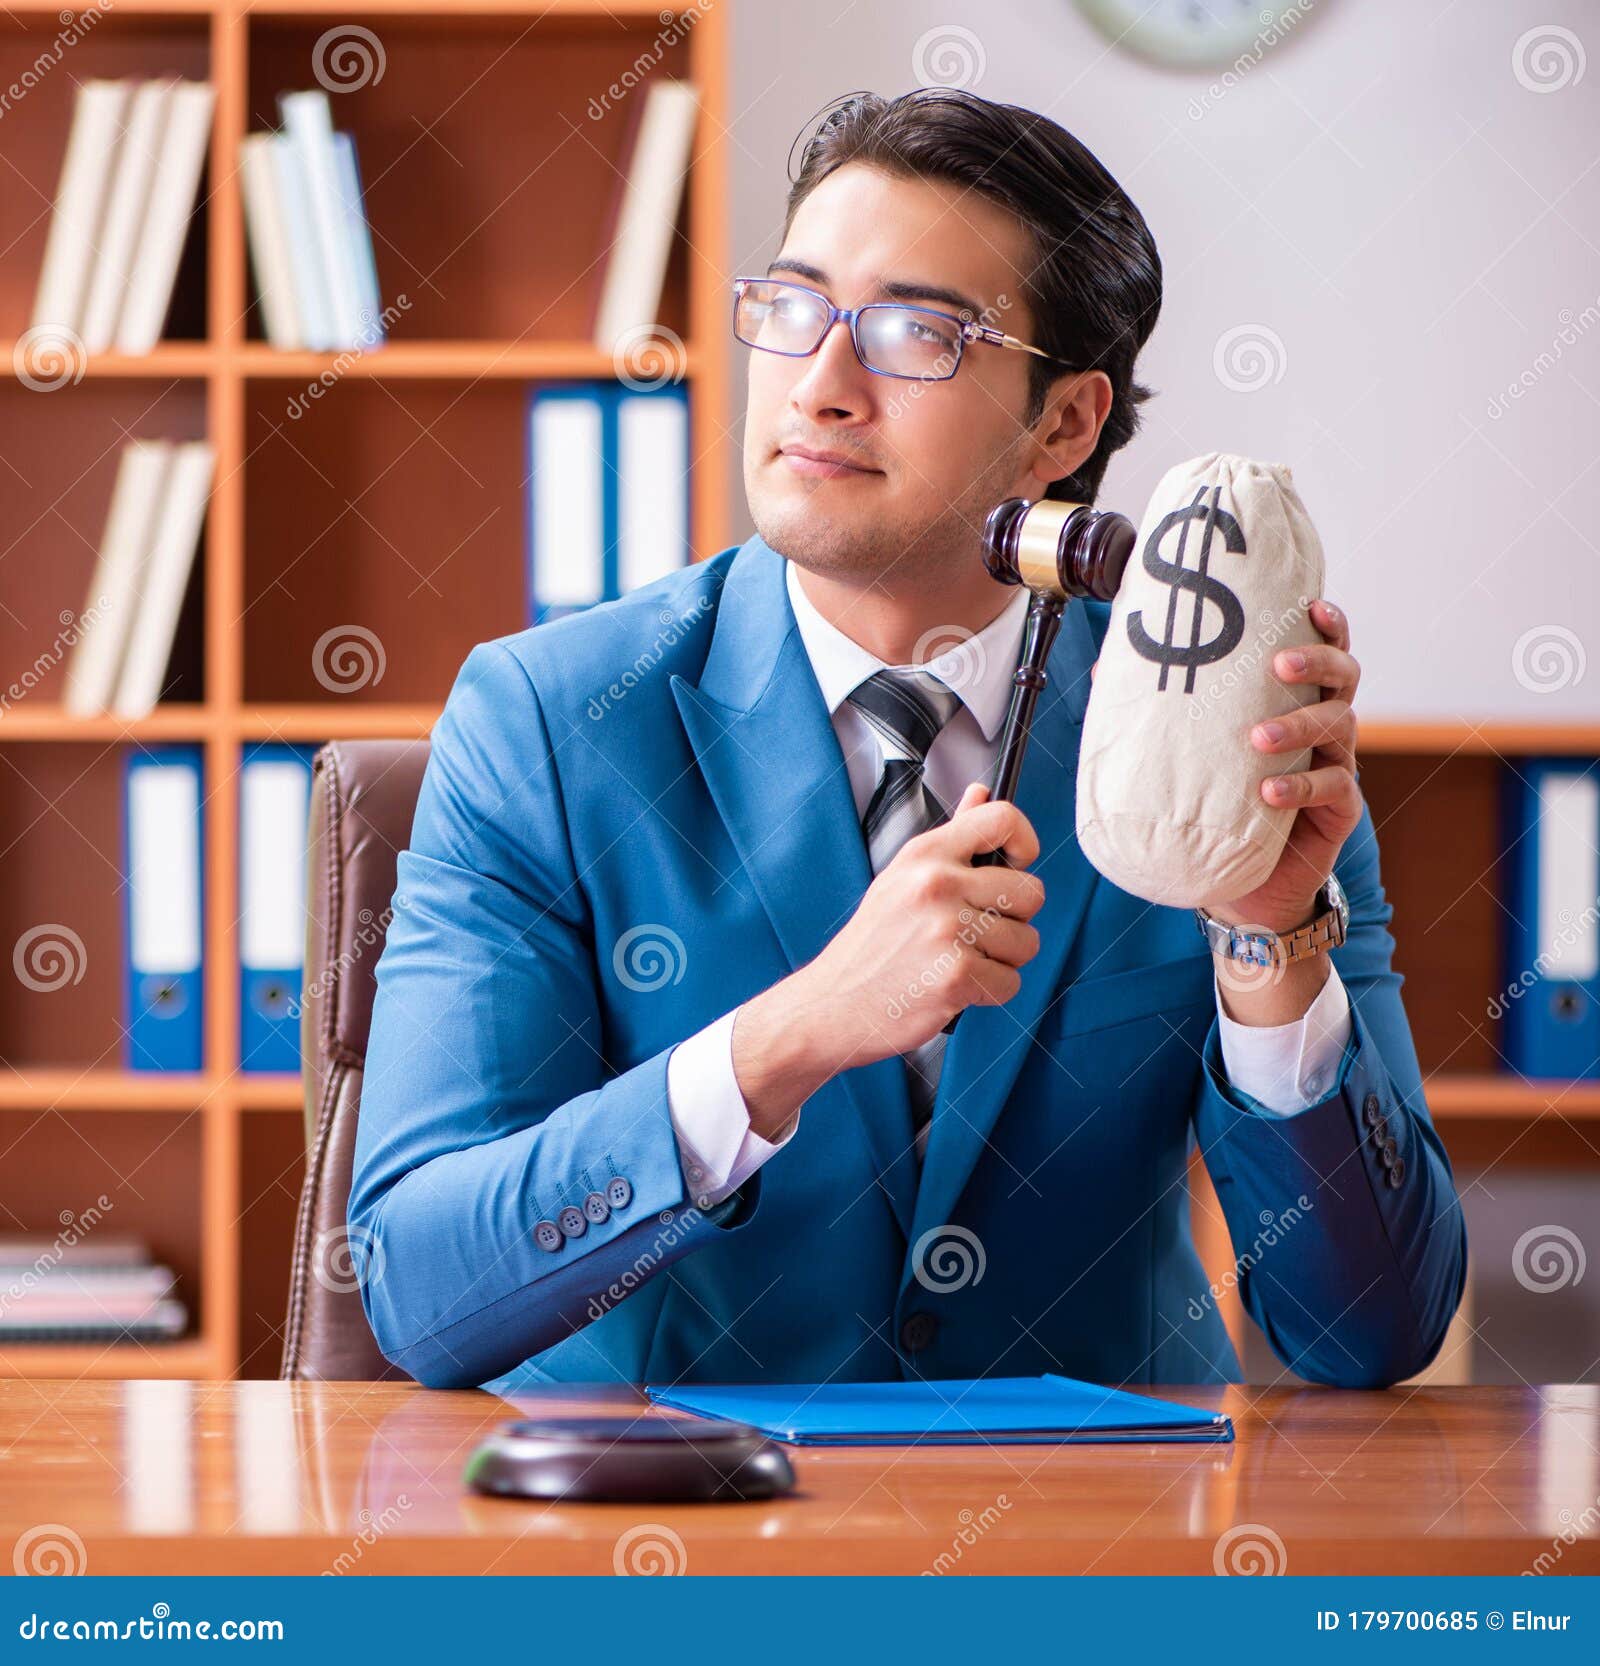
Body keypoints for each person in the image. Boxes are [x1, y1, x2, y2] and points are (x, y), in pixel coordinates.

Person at [351, 87, 1465, 1393]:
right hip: (669, 1533)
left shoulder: (1214, 728)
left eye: (914, 333)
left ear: (1064, 425)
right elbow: (421, 1291)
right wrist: (795, 1034)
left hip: (1091, 1547)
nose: (820, 388)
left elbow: (1370, 1332)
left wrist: (1268, 940)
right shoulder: (550, 719)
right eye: (792, 310)